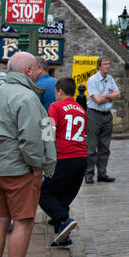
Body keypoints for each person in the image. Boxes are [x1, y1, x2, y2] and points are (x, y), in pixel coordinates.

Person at [0, 52, 56, 257]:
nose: (38, 72)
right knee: (23, 221)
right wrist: (39, 165)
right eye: (36, 69)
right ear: (28, 71)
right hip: (19, 169)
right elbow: (32, 139)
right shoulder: (28, 98)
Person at [40, 77, 87, 247]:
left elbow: (48, 134)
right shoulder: (81, 109)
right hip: (81, 158)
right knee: (63, 199)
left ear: (59, 91)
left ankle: (64, 220)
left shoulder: (54, 106)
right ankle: (63, 236)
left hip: (63, 157)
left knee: (42, 192)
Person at [84, 57, 119, 184]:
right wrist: (110, 96)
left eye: (109, 63)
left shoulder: (110, 79)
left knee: (105, 146)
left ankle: (102, 173)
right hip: (94, 114)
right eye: (105, 64)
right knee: (91, 146)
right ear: (99, 66)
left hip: (106, 114)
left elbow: (118, 95)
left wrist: (104, 96)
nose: (108, 66)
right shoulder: (93, 80)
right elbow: (97, 100)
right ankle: (89, 174)